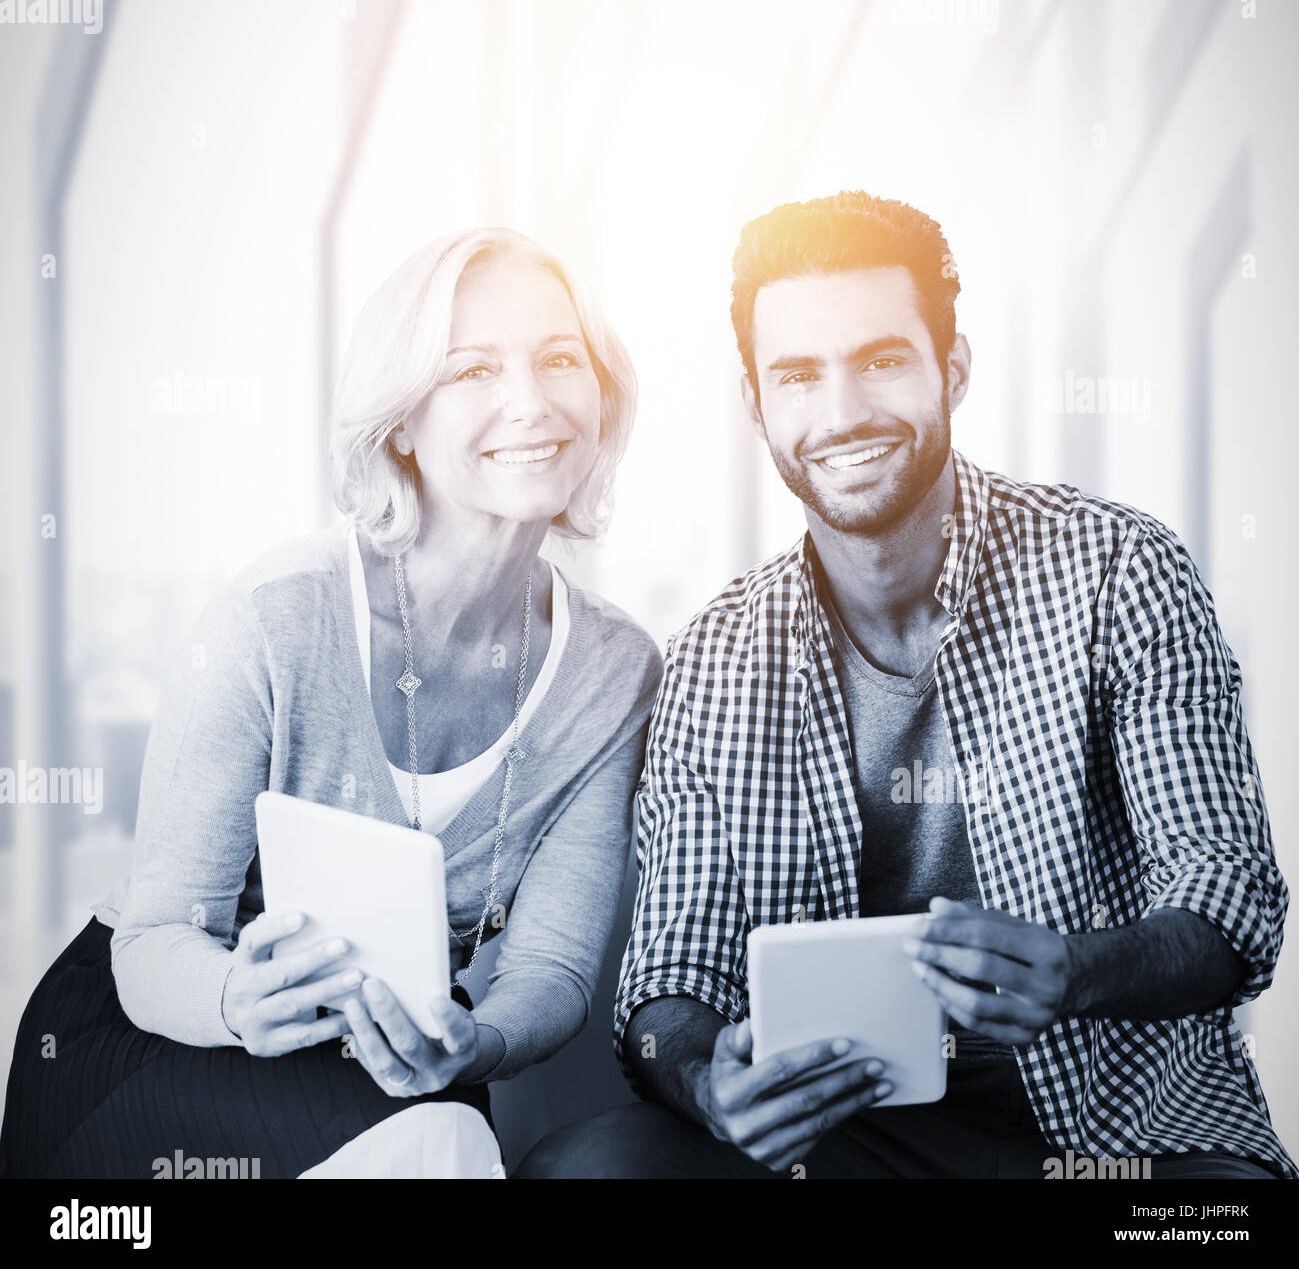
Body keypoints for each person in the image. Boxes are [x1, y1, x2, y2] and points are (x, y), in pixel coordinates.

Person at [517, 191, 1296, 1180]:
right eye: (798, 375)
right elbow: (672, 975)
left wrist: (1080, 972)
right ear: (759, 406)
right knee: (585, 1173)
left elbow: (1228, 891)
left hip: (1126, 1144)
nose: (841, 413)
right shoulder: (717, 654)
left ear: (952, 370)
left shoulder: (1119, 570)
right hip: (848, 1150)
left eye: (882, 360)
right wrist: (708, 1079)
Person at [0, 227, 662, 1179]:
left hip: (395, 1053)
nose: (531, 401)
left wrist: (479, 1046)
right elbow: (153, 944)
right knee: (436, 1145)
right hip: (166, 1036)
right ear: (400, 419)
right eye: (472, 370)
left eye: (560, 359)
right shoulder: (277, 616)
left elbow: (548, 971)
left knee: (445, 1133)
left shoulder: (613, 670)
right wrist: (239, 998)